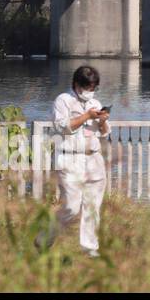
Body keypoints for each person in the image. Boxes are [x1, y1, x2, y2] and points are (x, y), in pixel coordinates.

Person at [48, 65, 110, 257]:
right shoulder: (63, 100)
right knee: (71, 207)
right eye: (87, 87)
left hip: (93, 157)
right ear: (76, 84)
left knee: (93, 205)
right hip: (70, 157)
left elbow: (104, 133)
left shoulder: (95, 103)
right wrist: (86, 116)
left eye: (93, 88)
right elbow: (62, 127)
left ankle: (90, 248)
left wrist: (102, 120)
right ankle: (46, 237)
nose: (90, 91)